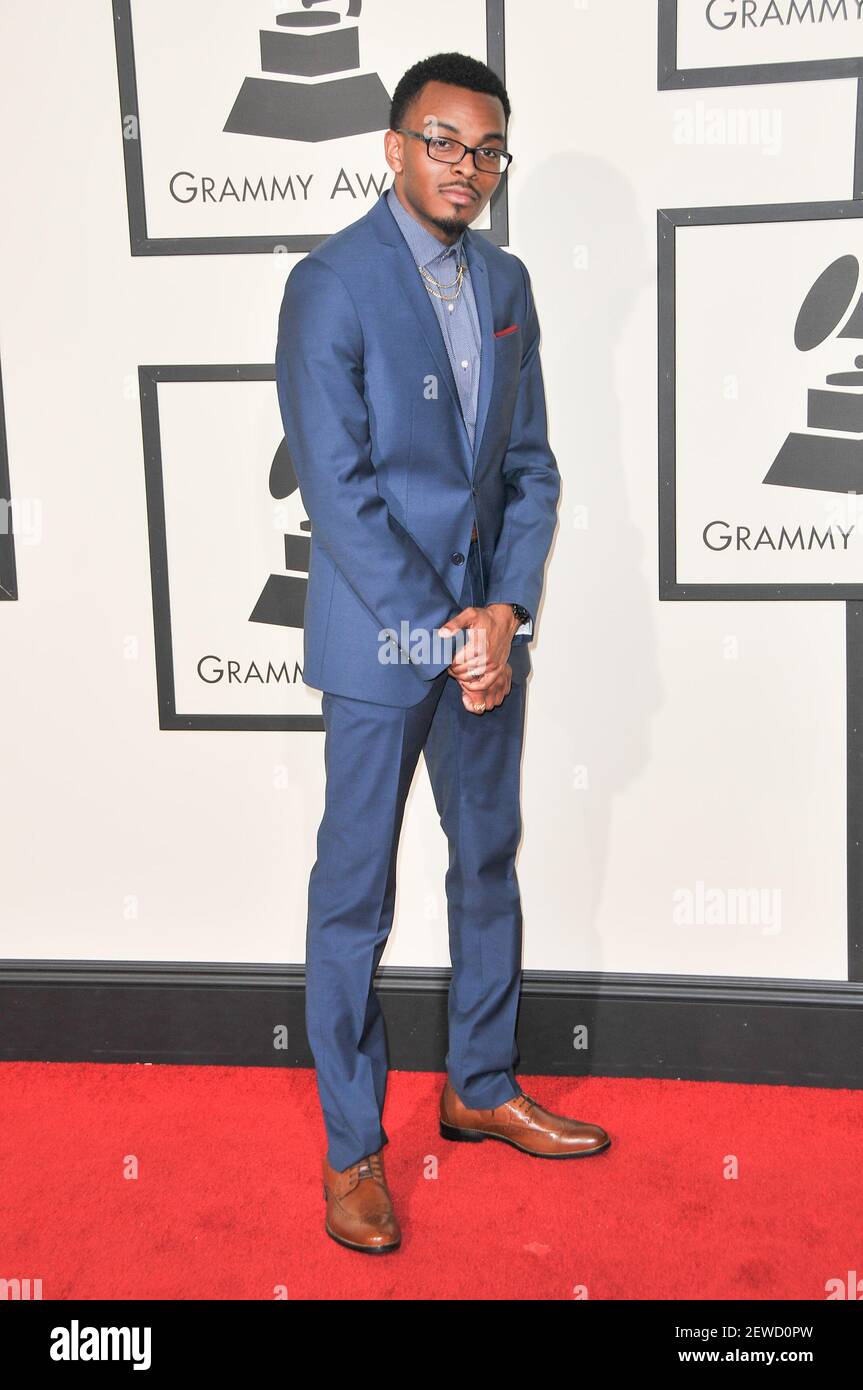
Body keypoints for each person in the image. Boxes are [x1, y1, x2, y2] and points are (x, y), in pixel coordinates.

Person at [275, 50, 610, 1255]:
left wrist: (504, 613)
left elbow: (528, 470)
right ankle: (351, 1149)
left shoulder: (507, 280)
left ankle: (477, 1081)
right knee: (353, 899)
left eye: (485, 150)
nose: (465, 167)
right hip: (381, 646)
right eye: (442, 141)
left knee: (485, 865)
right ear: (392, 145)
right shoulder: (330, 284)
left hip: (482, 642)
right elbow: (342, 493)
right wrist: (448, 628)